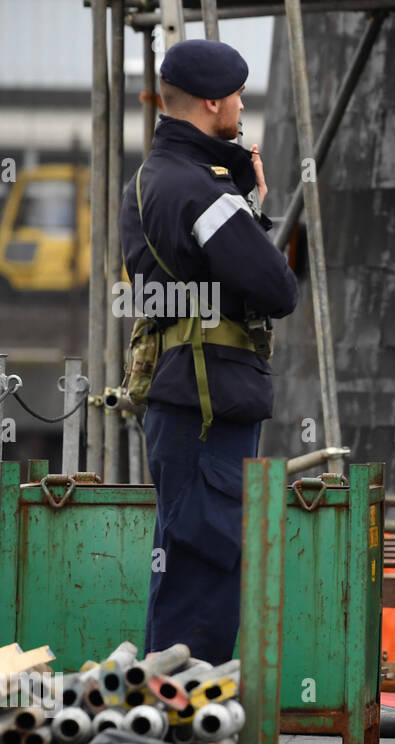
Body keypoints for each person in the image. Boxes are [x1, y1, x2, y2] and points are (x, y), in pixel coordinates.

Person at [119, 39, 298, 665]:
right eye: (239, 96)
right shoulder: (203, 189)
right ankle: (186, 731)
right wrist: (250, 207)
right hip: (207, 398)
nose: (244, 106)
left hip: (184, 393)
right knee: (208, 558)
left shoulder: (150, 178)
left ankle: (168, 721)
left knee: (186, 554)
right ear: (214, 102)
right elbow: (277, 289)